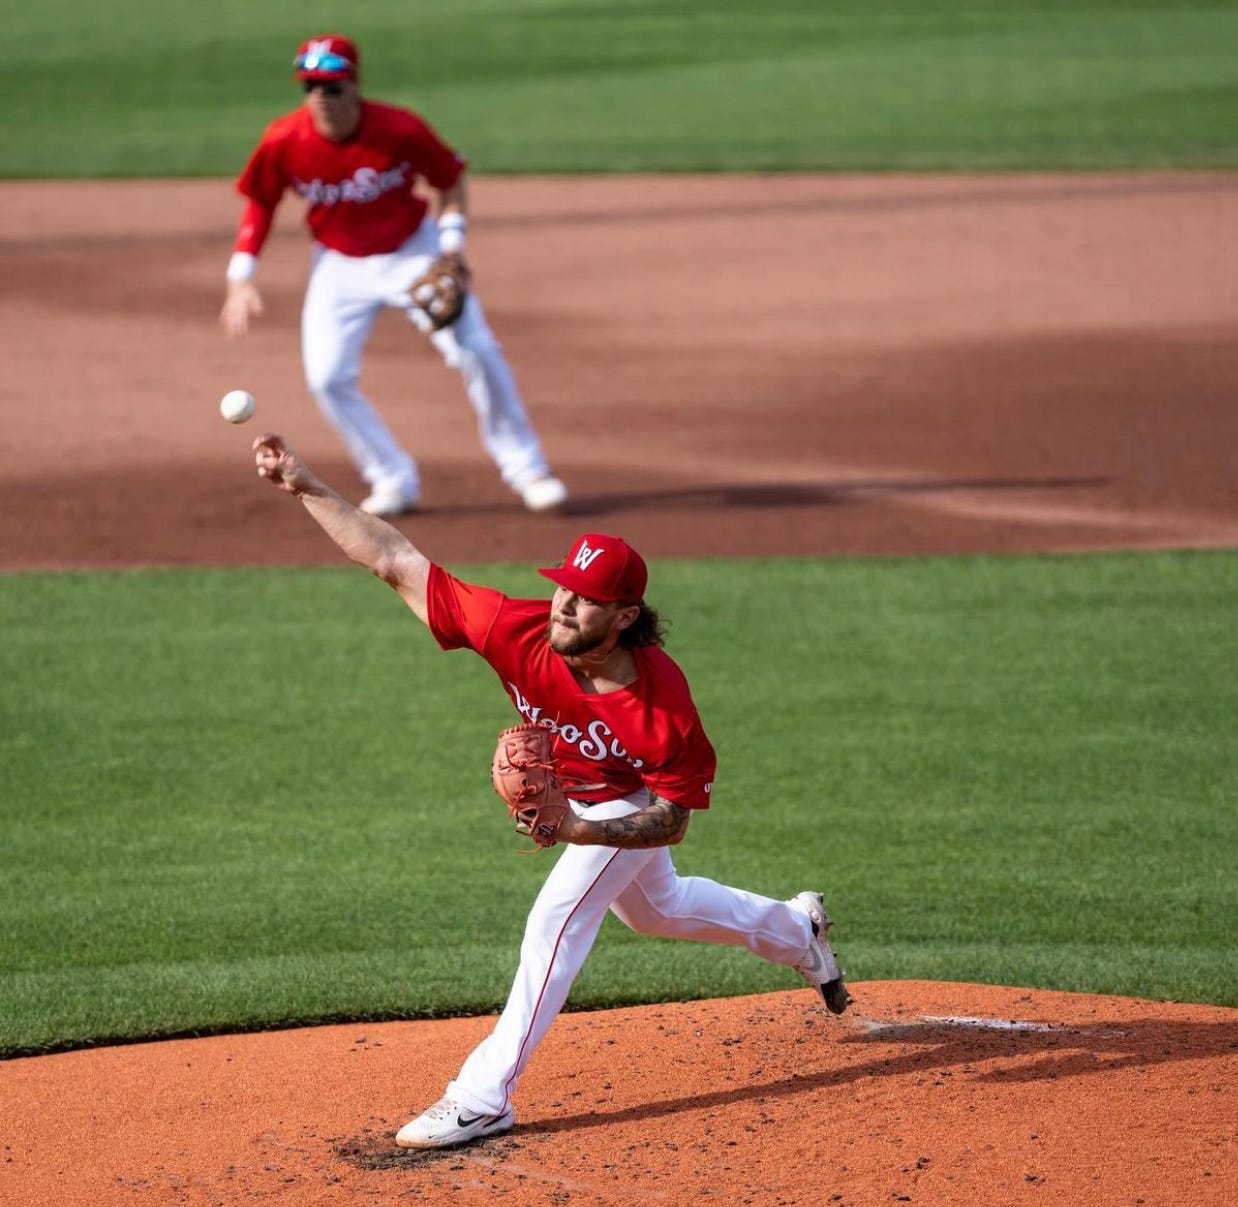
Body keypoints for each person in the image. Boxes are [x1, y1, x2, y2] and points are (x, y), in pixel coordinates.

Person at [250, 431, 852, 1150]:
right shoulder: (518, 628)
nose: (565, 603)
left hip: (627, 804)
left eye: (588, 598)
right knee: (659, 910)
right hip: (583, 800)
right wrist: (306, 485)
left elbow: (670, 819)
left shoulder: (662, 706)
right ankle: (798, 929)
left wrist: (574, 827)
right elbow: (394, 561)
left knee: (556, 919)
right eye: (564, 583)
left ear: (625, 615)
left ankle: (481, 1096)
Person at [221, 34, 567, 517]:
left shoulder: (399, 129)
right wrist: (241, 275)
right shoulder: (284, 139)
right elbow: (261, 200)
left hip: (413, 253)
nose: (320, 94)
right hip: (338, 265)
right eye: (310, 85)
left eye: (331, 84)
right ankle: (391, 478)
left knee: (477, 352)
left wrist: (450, 249)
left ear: (355, 84)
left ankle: (527, 469)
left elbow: (448, 180)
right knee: (327, 378)